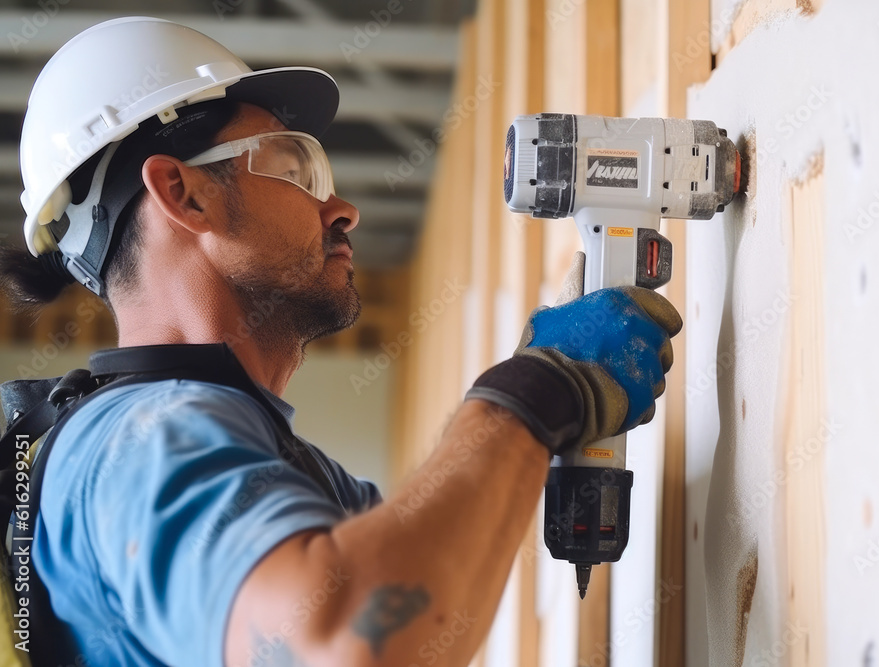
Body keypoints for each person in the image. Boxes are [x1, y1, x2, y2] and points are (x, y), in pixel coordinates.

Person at [0, 16, 682, 667]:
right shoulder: (146, 442)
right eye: (296, 167)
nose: (342, 207)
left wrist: (541, 393)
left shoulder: (270, 463)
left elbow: (421, 581)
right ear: (184, 194)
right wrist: (536, 390)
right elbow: (347, 644)